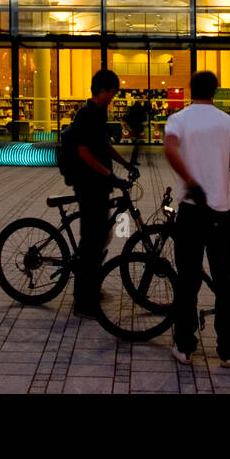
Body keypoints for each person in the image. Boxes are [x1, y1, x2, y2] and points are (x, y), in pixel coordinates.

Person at [163, 71, 230, 367]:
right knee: (225, 284)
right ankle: (227, 351)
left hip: (189, 211)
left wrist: (189, 179)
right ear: (215, 91)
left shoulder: (178, 120)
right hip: (221, 214)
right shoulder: (228, 123)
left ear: (190, 89)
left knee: (187, 281)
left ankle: (185, 347)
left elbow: (169, 148)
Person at [63, 69, 134, 317]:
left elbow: (103, 145)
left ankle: (93, 287)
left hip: (100, 185)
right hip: (88, 185)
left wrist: (125, 164)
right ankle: (82, 302)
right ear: (102, 91)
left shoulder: (99, 113)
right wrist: (108, 174)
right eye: (112, 93)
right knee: (90, 244)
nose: (113, 97)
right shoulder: (86, 115)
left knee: (100, 239)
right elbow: (84, 152)